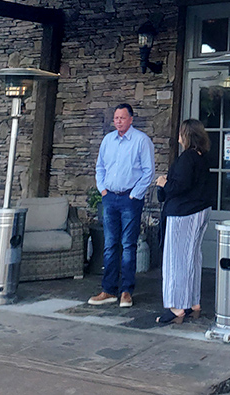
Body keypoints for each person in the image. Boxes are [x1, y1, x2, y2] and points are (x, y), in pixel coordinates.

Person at [88, 103, 155, 308]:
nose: (118, 121)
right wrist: (103, 190)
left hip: (129, 199)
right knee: (109, 245)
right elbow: (100, 167)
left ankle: (126, 291)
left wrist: (134, 195)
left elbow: (148, 171)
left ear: (131, 119)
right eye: (116, 118)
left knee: (128, 245)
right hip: (110, 198)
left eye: (122, 118)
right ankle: (108, 290)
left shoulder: (141, 141)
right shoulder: (108, 140)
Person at [155, 118, 214, 324]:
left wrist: (163, 182)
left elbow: (177, 187)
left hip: (182, 213)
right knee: (192, 258)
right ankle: (192, 302)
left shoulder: (186, 159)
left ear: (186, 135)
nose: (178, 136)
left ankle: (176, 306)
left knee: (176, 260)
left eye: (181, 132)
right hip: (200, 210)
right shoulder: (203, 157)